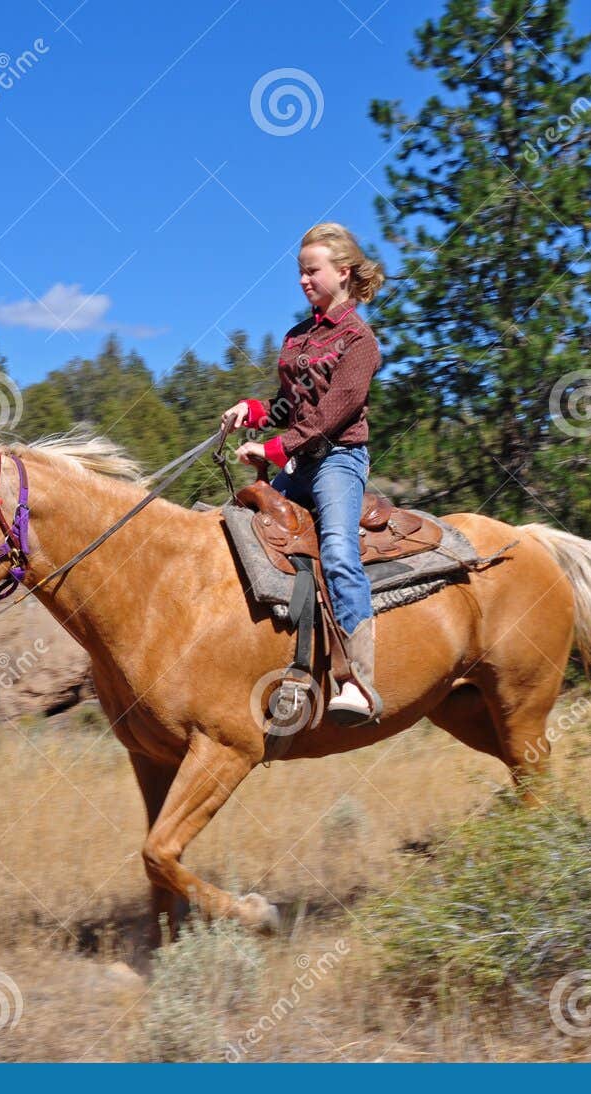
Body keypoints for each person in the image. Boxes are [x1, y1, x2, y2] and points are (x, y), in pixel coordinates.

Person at [223, 222, 386, 725]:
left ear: (342, 272)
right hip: (298, 460)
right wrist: (252, 412)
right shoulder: (298, 337)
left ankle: (357, 681)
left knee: (337, 550)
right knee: (234, 526)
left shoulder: (360, 341)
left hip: (338, 460)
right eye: (299, 272)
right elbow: (291, 406)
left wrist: (273, 449)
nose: (302, 280)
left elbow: (330, 416)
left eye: (311, 271)